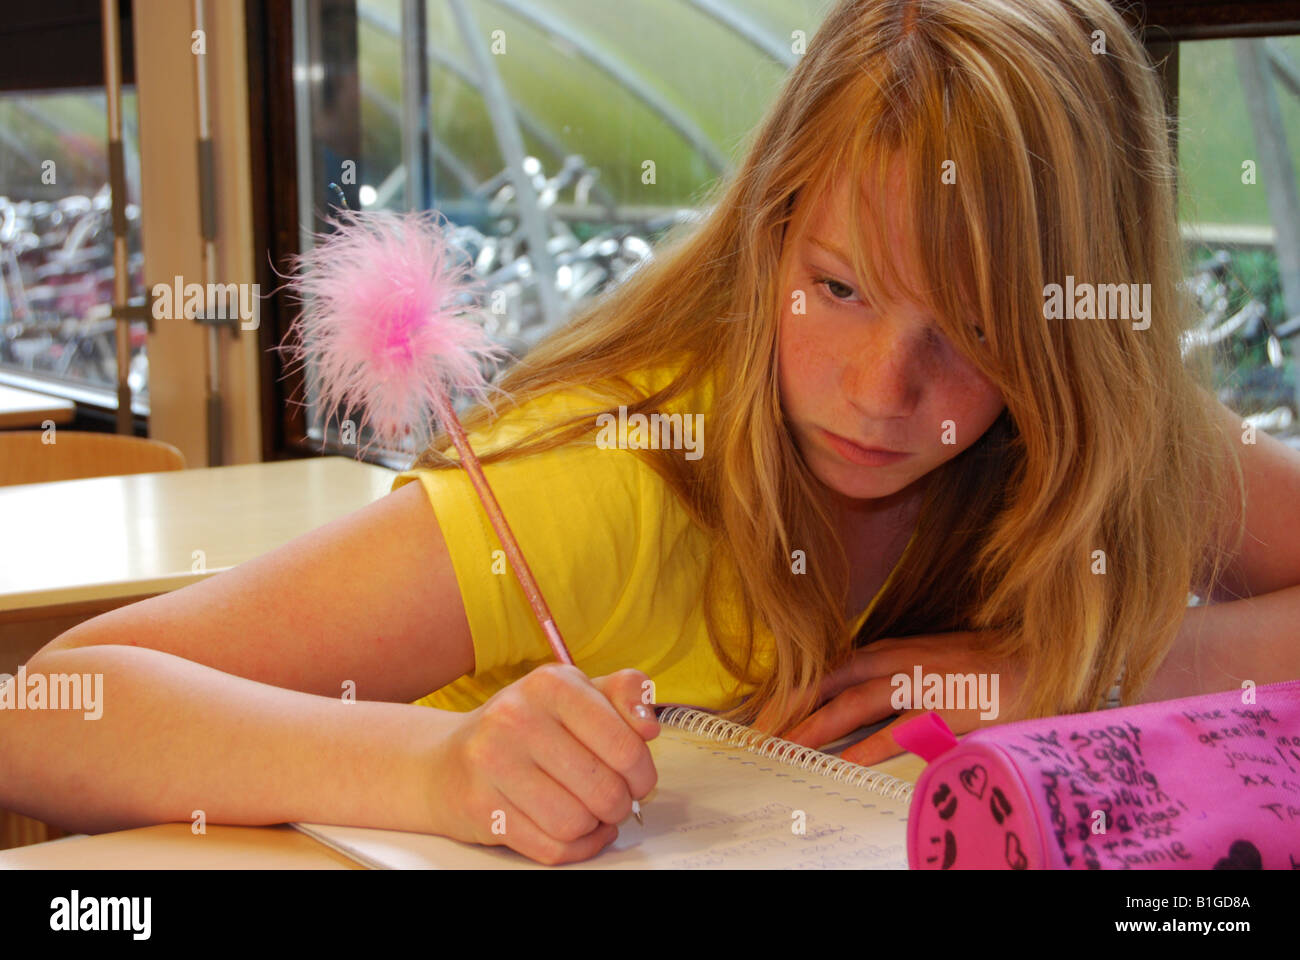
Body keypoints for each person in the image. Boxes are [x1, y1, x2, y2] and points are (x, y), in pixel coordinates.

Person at [5, 0, 1299, 867]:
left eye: (977, 329)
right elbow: (52, 712)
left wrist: (1077, 668)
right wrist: (442, 767)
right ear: (768, 230)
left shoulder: (1085, 437)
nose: (881, 390)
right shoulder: (611, 480)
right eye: (839, 288)